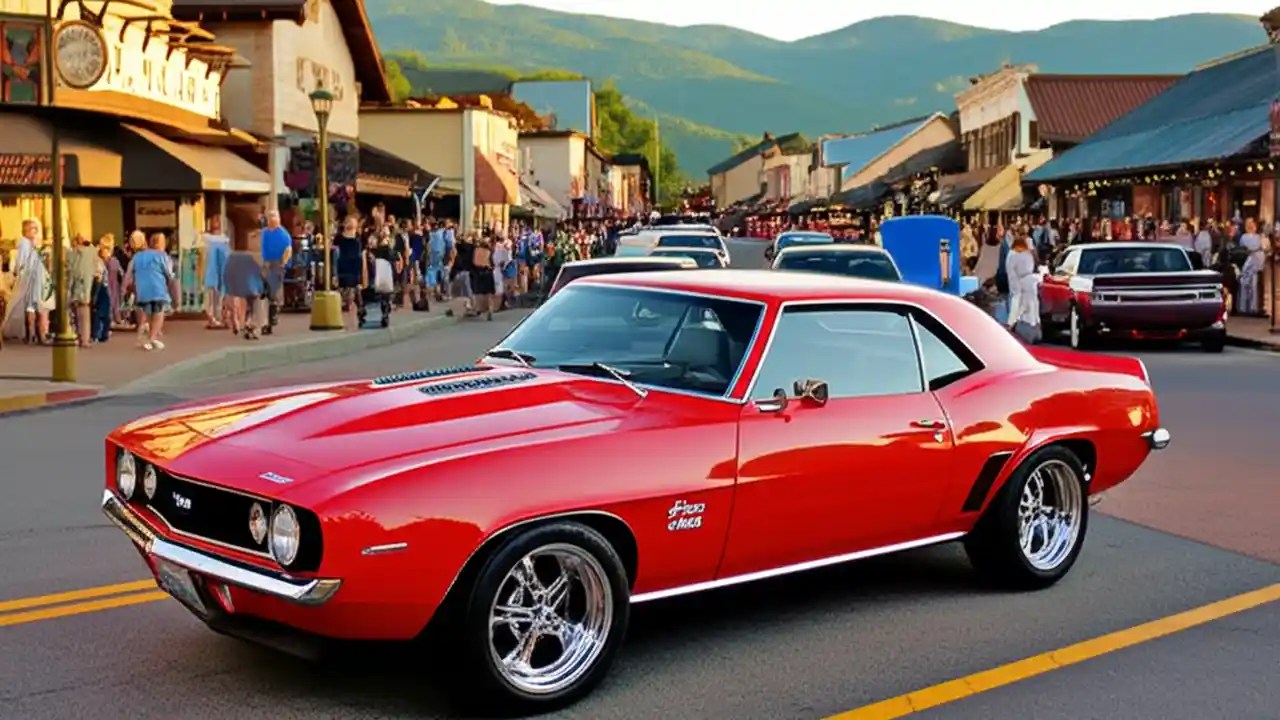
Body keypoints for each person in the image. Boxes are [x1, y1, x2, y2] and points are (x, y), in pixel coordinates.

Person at [124, 232, 174, 351]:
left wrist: (126, 286)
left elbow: (129, 271)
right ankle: (152, 338)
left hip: (142, 289)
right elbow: (169, 272)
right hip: (157, 288)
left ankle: (145, 338)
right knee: (158, 313)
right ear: (161, 243)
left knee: (146, 313)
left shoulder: (138, 256)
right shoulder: (162, 256)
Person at [1005, 227, 1041, 344]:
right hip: (1029, 280)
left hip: (1022, 280)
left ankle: (1013, 325)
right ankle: (1034, 330)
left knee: (1021, 303)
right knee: (1032, 305)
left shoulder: (1013, 253)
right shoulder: (1026, 249)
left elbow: (1011, 272)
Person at [259, 209, 292, 335]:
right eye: (270, 216)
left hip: (277, 263)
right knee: (264, 292)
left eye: (274, 216)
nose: (272, 219)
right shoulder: (265, 233)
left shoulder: (283, 234)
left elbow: (288, 250)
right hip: (266, 263)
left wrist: (282, 264)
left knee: (273, 293)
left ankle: (272, 319)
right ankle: (266, 319)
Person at [333, 216, 365, 331]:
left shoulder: (358, 239)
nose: (351, 225)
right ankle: (340, 319)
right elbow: (335, 253)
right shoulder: (339, 238)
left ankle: (361, 315)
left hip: (354, 268)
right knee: (341, 294)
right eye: (348, 222)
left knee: (357, 295)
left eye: (353, 223)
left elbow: (360, 256)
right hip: (342, 268)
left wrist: (361, 275)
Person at [68, 232, 97, 347]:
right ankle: (85, 339)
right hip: (85, 284)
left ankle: (80, 336)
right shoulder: (91, 252)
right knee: (84, 311)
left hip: (75, 284)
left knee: (76, 311)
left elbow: (70, 268)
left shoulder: (71, 253)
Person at [203, 215, 231, 329]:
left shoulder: (224, 239)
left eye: (218, 221)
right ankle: (214, 318)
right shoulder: (208, 238)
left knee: (219, 295)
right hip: (213, 271)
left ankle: (220, 318)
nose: (216, 224)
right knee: (213, 295)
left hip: (219, 272)